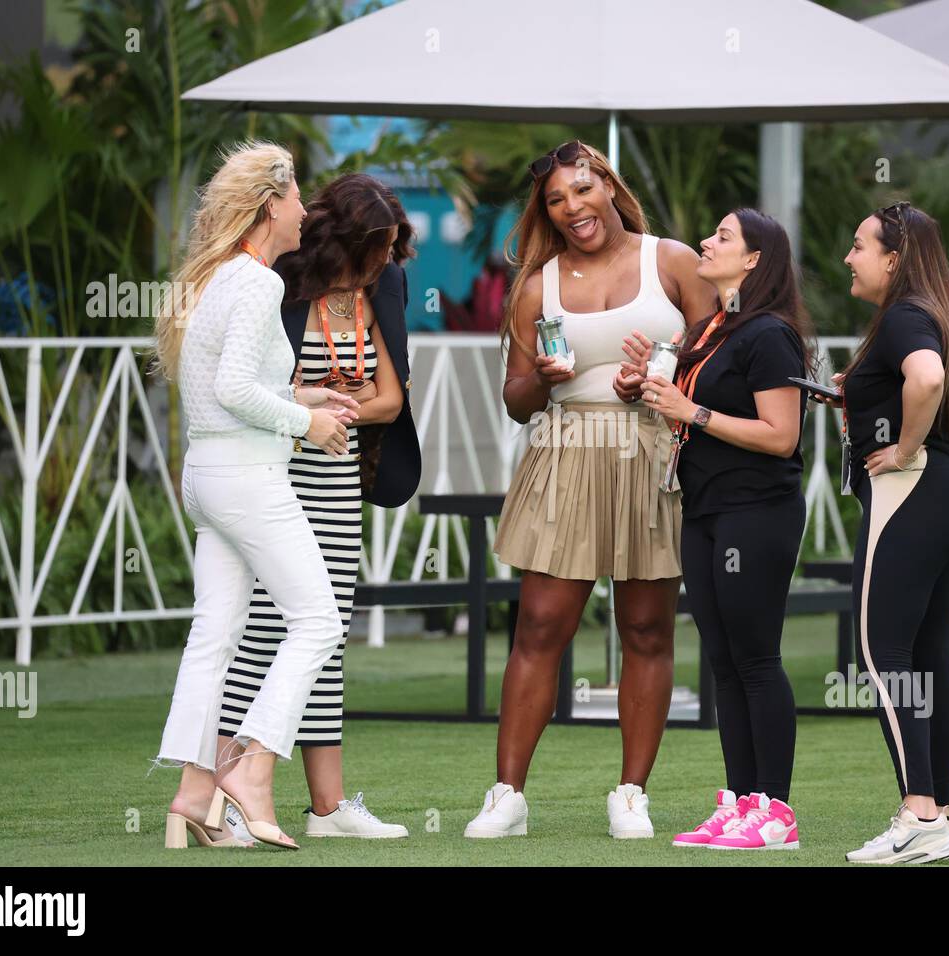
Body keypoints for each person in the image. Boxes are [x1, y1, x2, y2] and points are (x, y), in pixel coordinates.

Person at [464, 140, 717, 839]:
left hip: (653, 453)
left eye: (583, 189)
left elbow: (717, 353)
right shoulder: (535, 284)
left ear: (608, 184)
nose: (573, 207)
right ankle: (506, 796)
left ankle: (632, 793)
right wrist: (542, 379)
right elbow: (515, 399)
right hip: (565, 449)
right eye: (556, 200)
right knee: (541, 625)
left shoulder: (672, 261)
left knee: (645, 628)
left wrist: (664, 379)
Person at [152, 141, 359, 851]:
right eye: (298, 196)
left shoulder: (216, 279)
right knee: (319, 621)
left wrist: (301, 395)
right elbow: (233, 391)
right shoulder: (258, 284)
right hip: (246, 479)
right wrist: (310, 422)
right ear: (271, 203)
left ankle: (193, 793)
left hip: (208, 478)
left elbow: (229, 388)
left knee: (213, 635)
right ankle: (253, 766)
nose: (306, 209)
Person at [215, 173, 420, 840]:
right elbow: (251, 389)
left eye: (392, 247)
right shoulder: (281, 282)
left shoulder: (384, 287)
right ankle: (227, 793)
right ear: (345, 242)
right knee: (261, 630)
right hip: (270, 472)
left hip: (336, 477)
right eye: (377, 247)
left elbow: (392, 399)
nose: (387, 260)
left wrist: (316, 401)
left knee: (326, 635)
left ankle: (328, 810)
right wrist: (309, 404)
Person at [637, 209, 812, 851]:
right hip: (706, 507)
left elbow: (781, 435)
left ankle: (777, 811)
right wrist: (654, 389)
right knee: (724, 661)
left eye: (724, 236)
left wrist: (694, 409)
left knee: (756, 658)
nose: (707, 242)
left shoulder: (770, 334)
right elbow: (690, 417)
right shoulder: (715, 328)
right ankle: (741, 802)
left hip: (755, 510)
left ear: (755, 260)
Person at [830, 200, 949, 864]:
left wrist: (900, 449)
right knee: (926, 659)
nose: (849, 257)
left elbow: (926, 378)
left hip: (915, 489)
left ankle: (918, 816)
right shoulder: (937, 312)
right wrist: (856, 401)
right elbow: (918, 382)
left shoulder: (902, 315)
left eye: (860, 245)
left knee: (880, 650)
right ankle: (939, 815)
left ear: (893, 259)